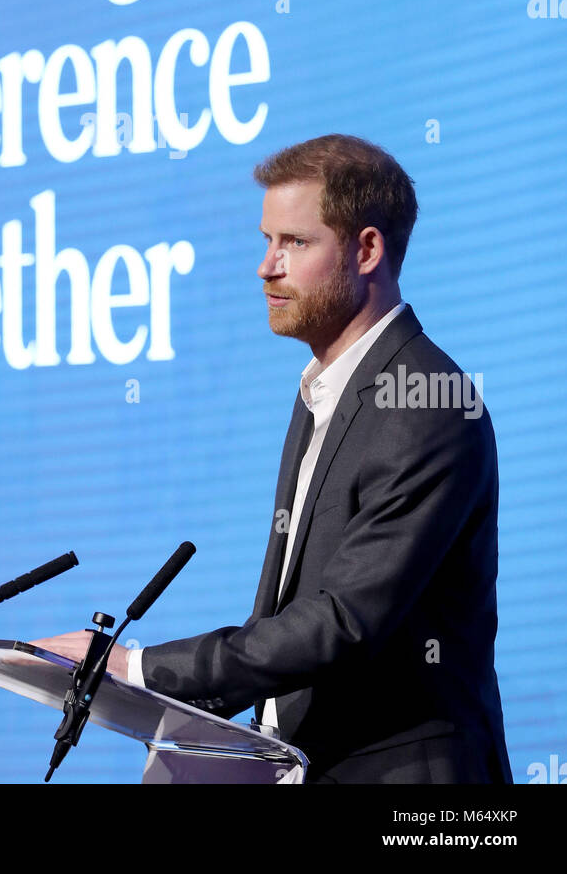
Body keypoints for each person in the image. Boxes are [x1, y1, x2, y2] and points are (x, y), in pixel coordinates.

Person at [32, 134, 513, 784]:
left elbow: (341, 624)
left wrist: (136, 668)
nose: (267, 266)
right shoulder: (323, 388)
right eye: (267, 240)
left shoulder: (426, 403)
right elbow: (288, 620)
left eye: (294, 242)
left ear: (367, 250)